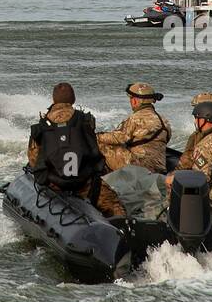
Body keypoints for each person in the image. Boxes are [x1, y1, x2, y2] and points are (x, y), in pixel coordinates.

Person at [27, 83, 124, 217]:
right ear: (73, 100)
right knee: (115, 206)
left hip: (54, 185)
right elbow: (93, 149)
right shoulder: (85, 120)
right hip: (84, 184)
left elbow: (33, 160)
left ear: (54, 100)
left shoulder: (42, 125)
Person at [97, 82, 171, 173]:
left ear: (135, 101)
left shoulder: (135, 118)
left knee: (100, 144)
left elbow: (118, 138)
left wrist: (96, 136)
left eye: (130, 98)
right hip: (159, 166)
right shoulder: (164, 121)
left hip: (137, 166)